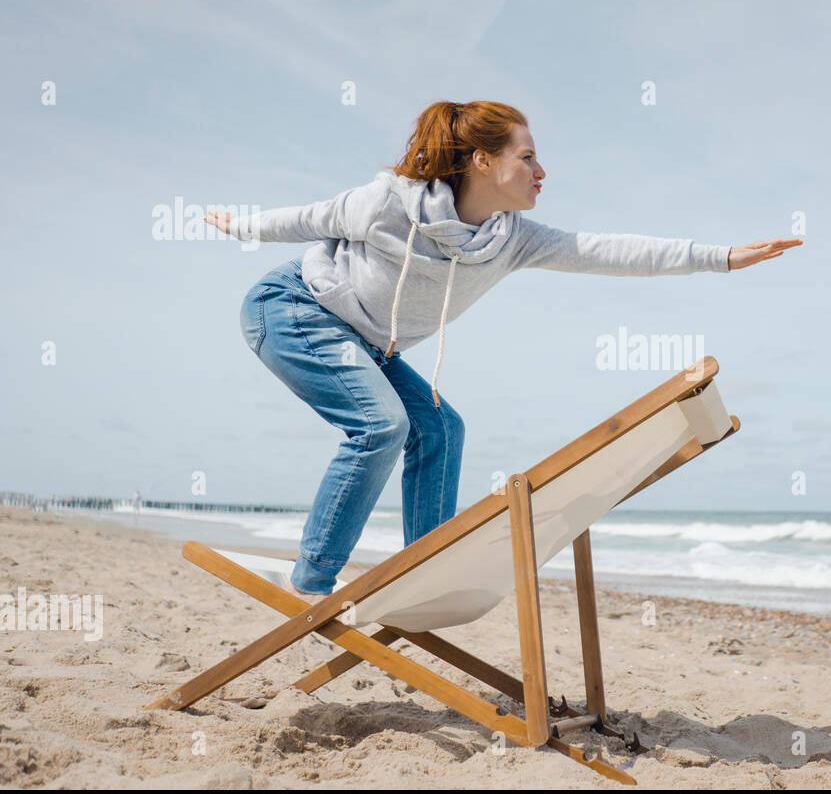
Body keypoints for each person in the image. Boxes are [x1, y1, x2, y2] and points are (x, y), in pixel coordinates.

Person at [204, 99, 800, 598]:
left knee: (440, 428)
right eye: (528, 156)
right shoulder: (389, 202)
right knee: (381, 427)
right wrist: (237, 224)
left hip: (363, 341)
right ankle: (309, 583)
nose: (542, 170)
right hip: (293, 310)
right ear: (483, 161)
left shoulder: (513, 240)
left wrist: (720, 256)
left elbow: (607, 250)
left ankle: (424, 573)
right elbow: (308, 217)